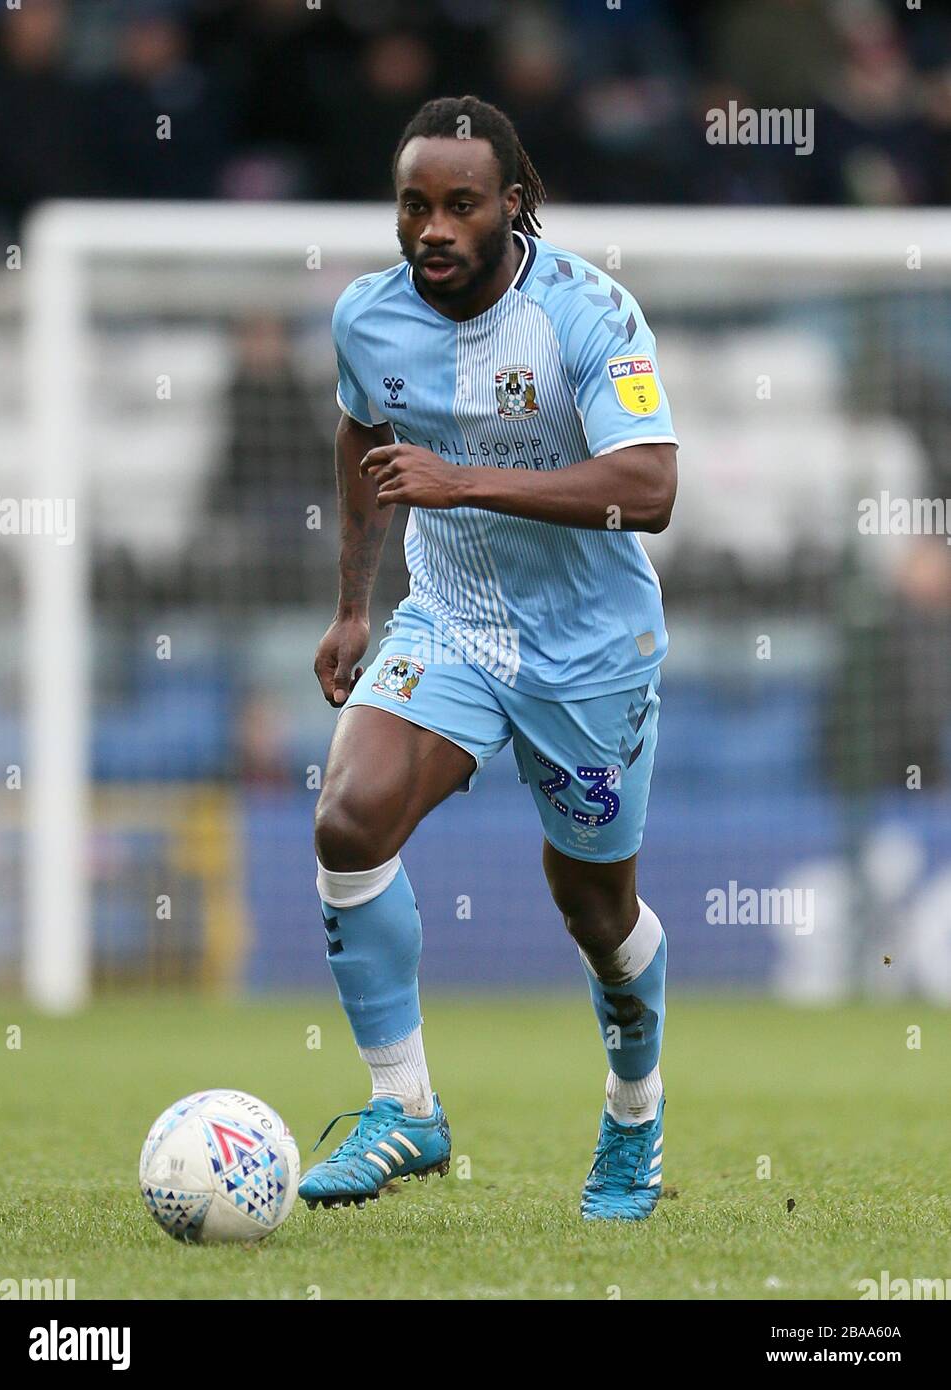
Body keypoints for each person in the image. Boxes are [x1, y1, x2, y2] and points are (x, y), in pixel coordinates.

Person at [300, 95, 678, 1222]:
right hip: (450, 618)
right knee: (346, 820)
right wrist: (354, 606)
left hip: (590, 652)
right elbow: (362, 435)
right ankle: (404, 1108)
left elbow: (651, 489)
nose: (434, 228)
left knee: (596, 913)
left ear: (514, 205)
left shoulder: (590, 314)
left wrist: (462, 480)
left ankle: (633, 1114)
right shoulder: (366, 319)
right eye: (414, 203)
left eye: (461, 204)